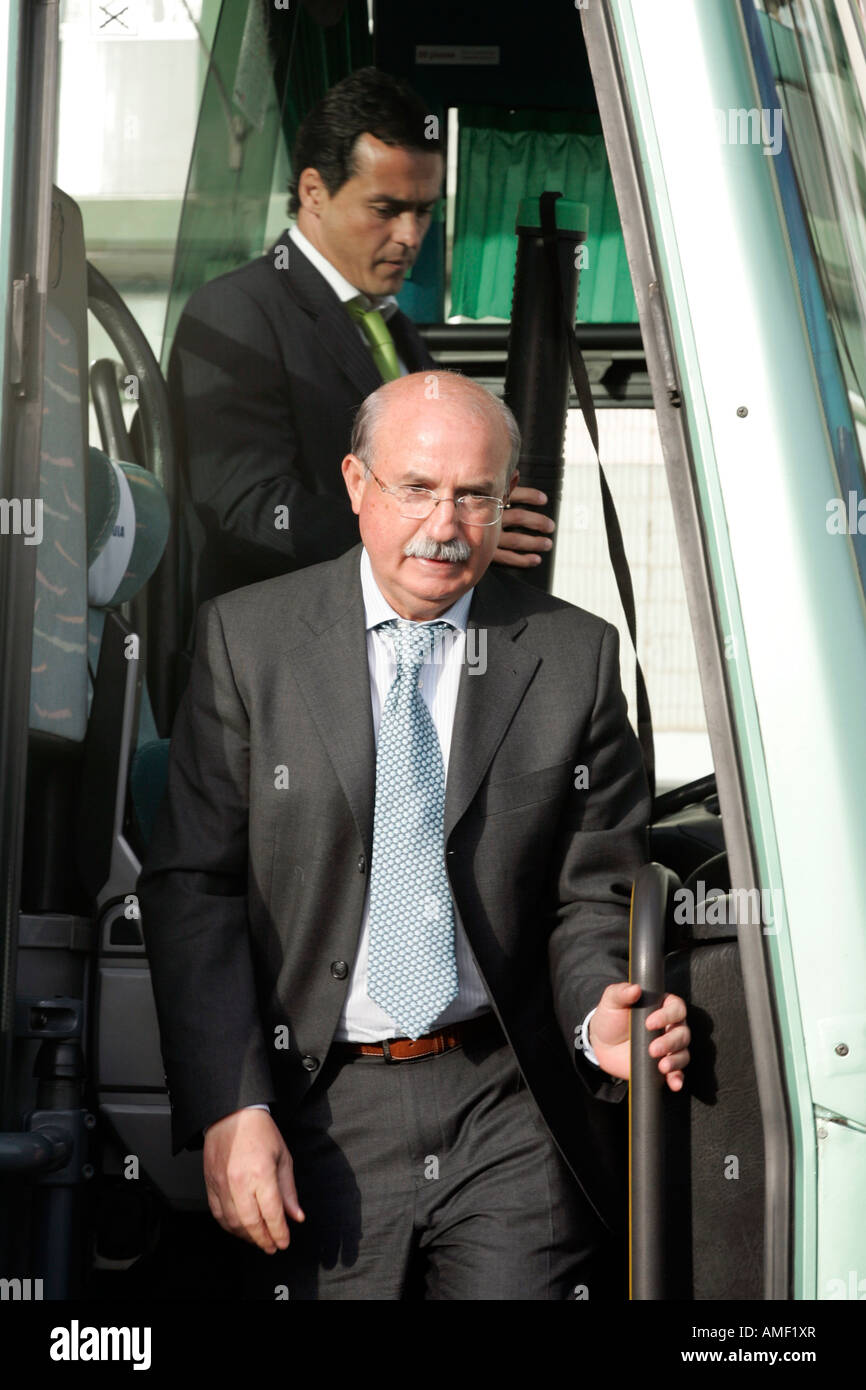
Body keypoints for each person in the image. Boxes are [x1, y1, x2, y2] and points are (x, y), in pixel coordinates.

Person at [138, 372, 690, 1300]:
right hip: (316, 1102)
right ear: (357, 484)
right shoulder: (248, 641)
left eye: (477, 496)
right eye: (418, 489)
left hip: (505, 1096)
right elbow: (194, 885)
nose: (447, 526)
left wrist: (601, 1012)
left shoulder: (574, 657)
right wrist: (232, 1105)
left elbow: (592, 886)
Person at [169, 67, 555, 616]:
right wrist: (442, 539)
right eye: (386, 209)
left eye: (423, 211)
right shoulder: (237, 312)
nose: (410, 236)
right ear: (313, 192)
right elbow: (248, 512)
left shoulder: (389, 325)